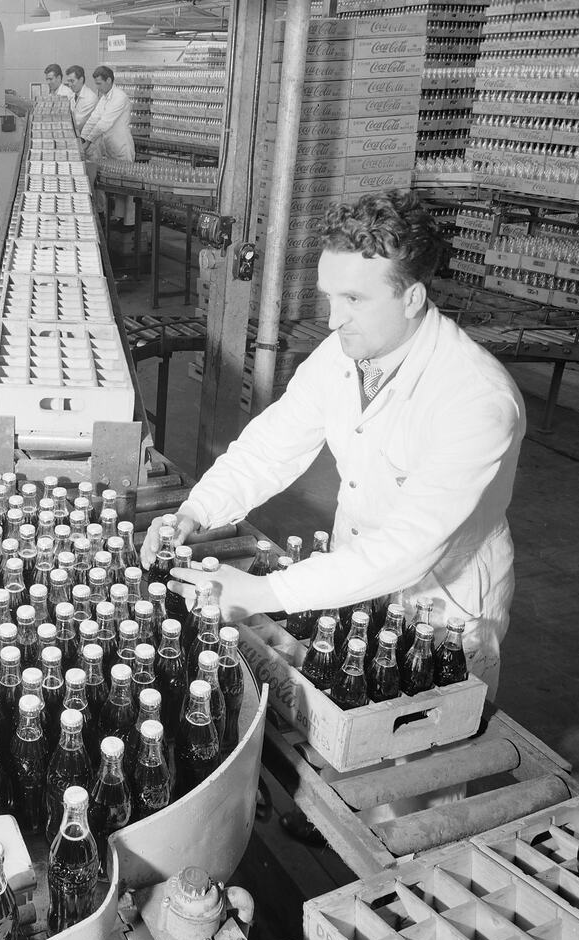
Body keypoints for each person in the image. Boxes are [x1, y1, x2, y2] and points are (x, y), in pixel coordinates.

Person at [144, 190, 525, 693]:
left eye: (354, 300)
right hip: (354, 584)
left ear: (413, 297)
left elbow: (409, 547)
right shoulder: (342, 355)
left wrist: (264, 591)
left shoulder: (476, 400)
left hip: (445, 606)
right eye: (329, 297)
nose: (332, 319)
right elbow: (272, 446)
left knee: (421, 737)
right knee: (344, 706)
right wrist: (195, 511)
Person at [78, 65, 136, 228]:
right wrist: (81, 138)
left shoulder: (119, 97)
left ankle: (129, 222)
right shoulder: (104, 97)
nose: (98, 87)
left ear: (109, 80)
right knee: (118, 185)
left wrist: (87, 142)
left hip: (121, 144)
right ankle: (119, 218)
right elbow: (94, 119)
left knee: (127, 184)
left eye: (99, 83)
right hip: (109, 145)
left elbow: (104, 123)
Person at [64, 65, 97, 133]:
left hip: (86, 139)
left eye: (72, 81)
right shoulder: (73, 95)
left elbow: (78, 124)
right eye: (68, 81)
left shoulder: (90, 98)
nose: (69, 85)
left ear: (81, 79)